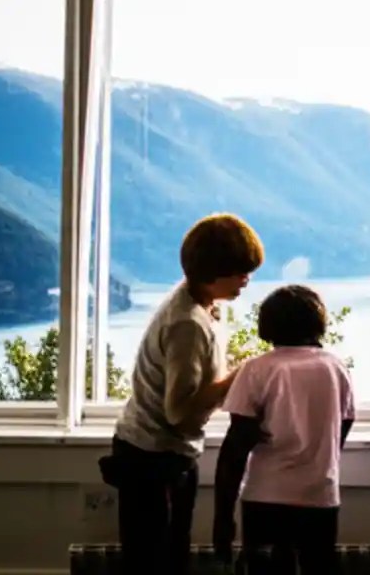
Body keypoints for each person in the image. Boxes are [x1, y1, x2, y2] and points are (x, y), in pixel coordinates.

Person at [100, 213, 264, 575]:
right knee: (156, 561)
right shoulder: (188, 323)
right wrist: (241, 376)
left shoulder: (203, 305)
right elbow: (178, 411)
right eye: (239, 271)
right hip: (152, 458)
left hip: (162, 453)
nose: (246, 280)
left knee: (169, 555)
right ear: (212, 271)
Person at [213, 285, 355, 574]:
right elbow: (343, 424)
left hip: (266, 497)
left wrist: (223, 518)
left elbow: (234, 451)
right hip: (320, 495)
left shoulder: (257, 369)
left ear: (267, 326)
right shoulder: (336, 368)